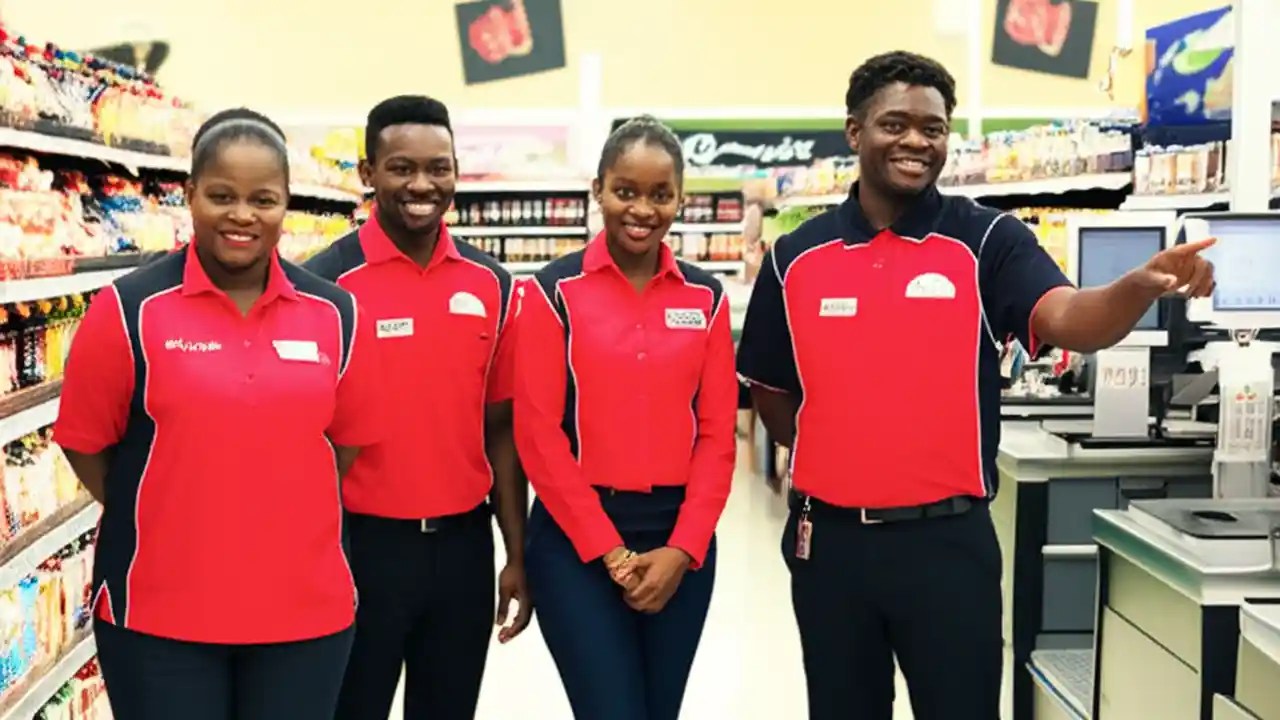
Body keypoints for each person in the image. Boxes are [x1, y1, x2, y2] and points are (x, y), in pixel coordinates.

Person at [735, 51, 1216, 720]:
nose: (915, 141)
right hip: (830, 547)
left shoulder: (988, 239)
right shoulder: (795, 256)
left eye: (932, 129)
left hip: (948, 547)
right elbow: (772, 392)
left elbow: (1070, 319)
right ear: (854, 131)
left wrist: (1136, 287)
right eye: (895, 124)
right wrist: (849, 456)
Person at [51, 108, 383, 720]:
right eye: (222, 196)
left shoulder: (336, 314)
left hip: (304, 619)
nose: (242, 215)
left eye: (263, 199)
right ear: (190, 195)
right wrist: (175, 506)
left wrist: (270, 504)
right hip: (157, 619)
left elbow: (345, 447)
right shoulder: (128, 309)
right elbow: (86, 443)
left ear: (285, 204)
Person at [304, 95, 529, 720]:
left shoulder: (492, 284)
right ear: (368, 173)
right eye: (402, 168)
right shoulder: (324, 287)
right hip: (358, 549)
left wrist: (516, 552)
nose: (422, 185)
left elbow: (501, 430)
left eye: (439, 167)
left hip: (462, 551)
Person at [514, 115, 738, 720]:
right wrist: (609, 552)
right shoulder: (552, 293)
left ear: (679, 200)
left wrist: (684, 548)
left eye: (660, 194)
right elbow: (538, 436)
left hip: (678, 537)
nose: (641, 209)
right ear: (598, 190)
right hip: (575, 541)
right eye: (625, 191)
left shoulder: (706, 297)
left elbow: (718, 434)